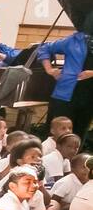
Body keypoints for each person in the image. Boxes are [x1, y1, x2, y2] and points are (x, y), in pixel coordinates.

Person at [37, 13, 93, 142]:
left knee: (80, 132)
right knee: (56, 133)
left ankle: (71, 161)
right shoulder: (74, 40)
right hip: (66, 93)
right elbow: (44, 48)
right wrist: (49, 69)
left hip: (89, 96)